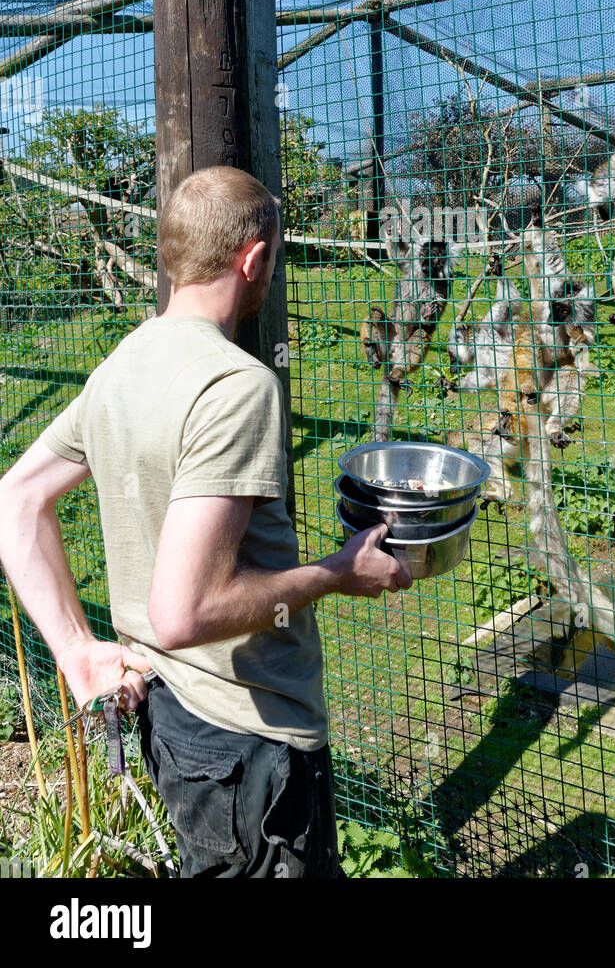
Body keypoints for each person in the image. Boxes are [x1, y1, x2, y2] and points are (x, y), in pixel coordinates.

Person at [0, 166, 412, 877]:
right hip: (249, 742)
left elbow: (17, 497)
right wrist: (338, 575)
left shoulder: (122, 365)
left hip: (171, 722)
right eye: (274, 261)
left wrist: (75, 653)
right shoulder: (236, 383)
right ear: (253, 259)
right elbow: (183, 612)